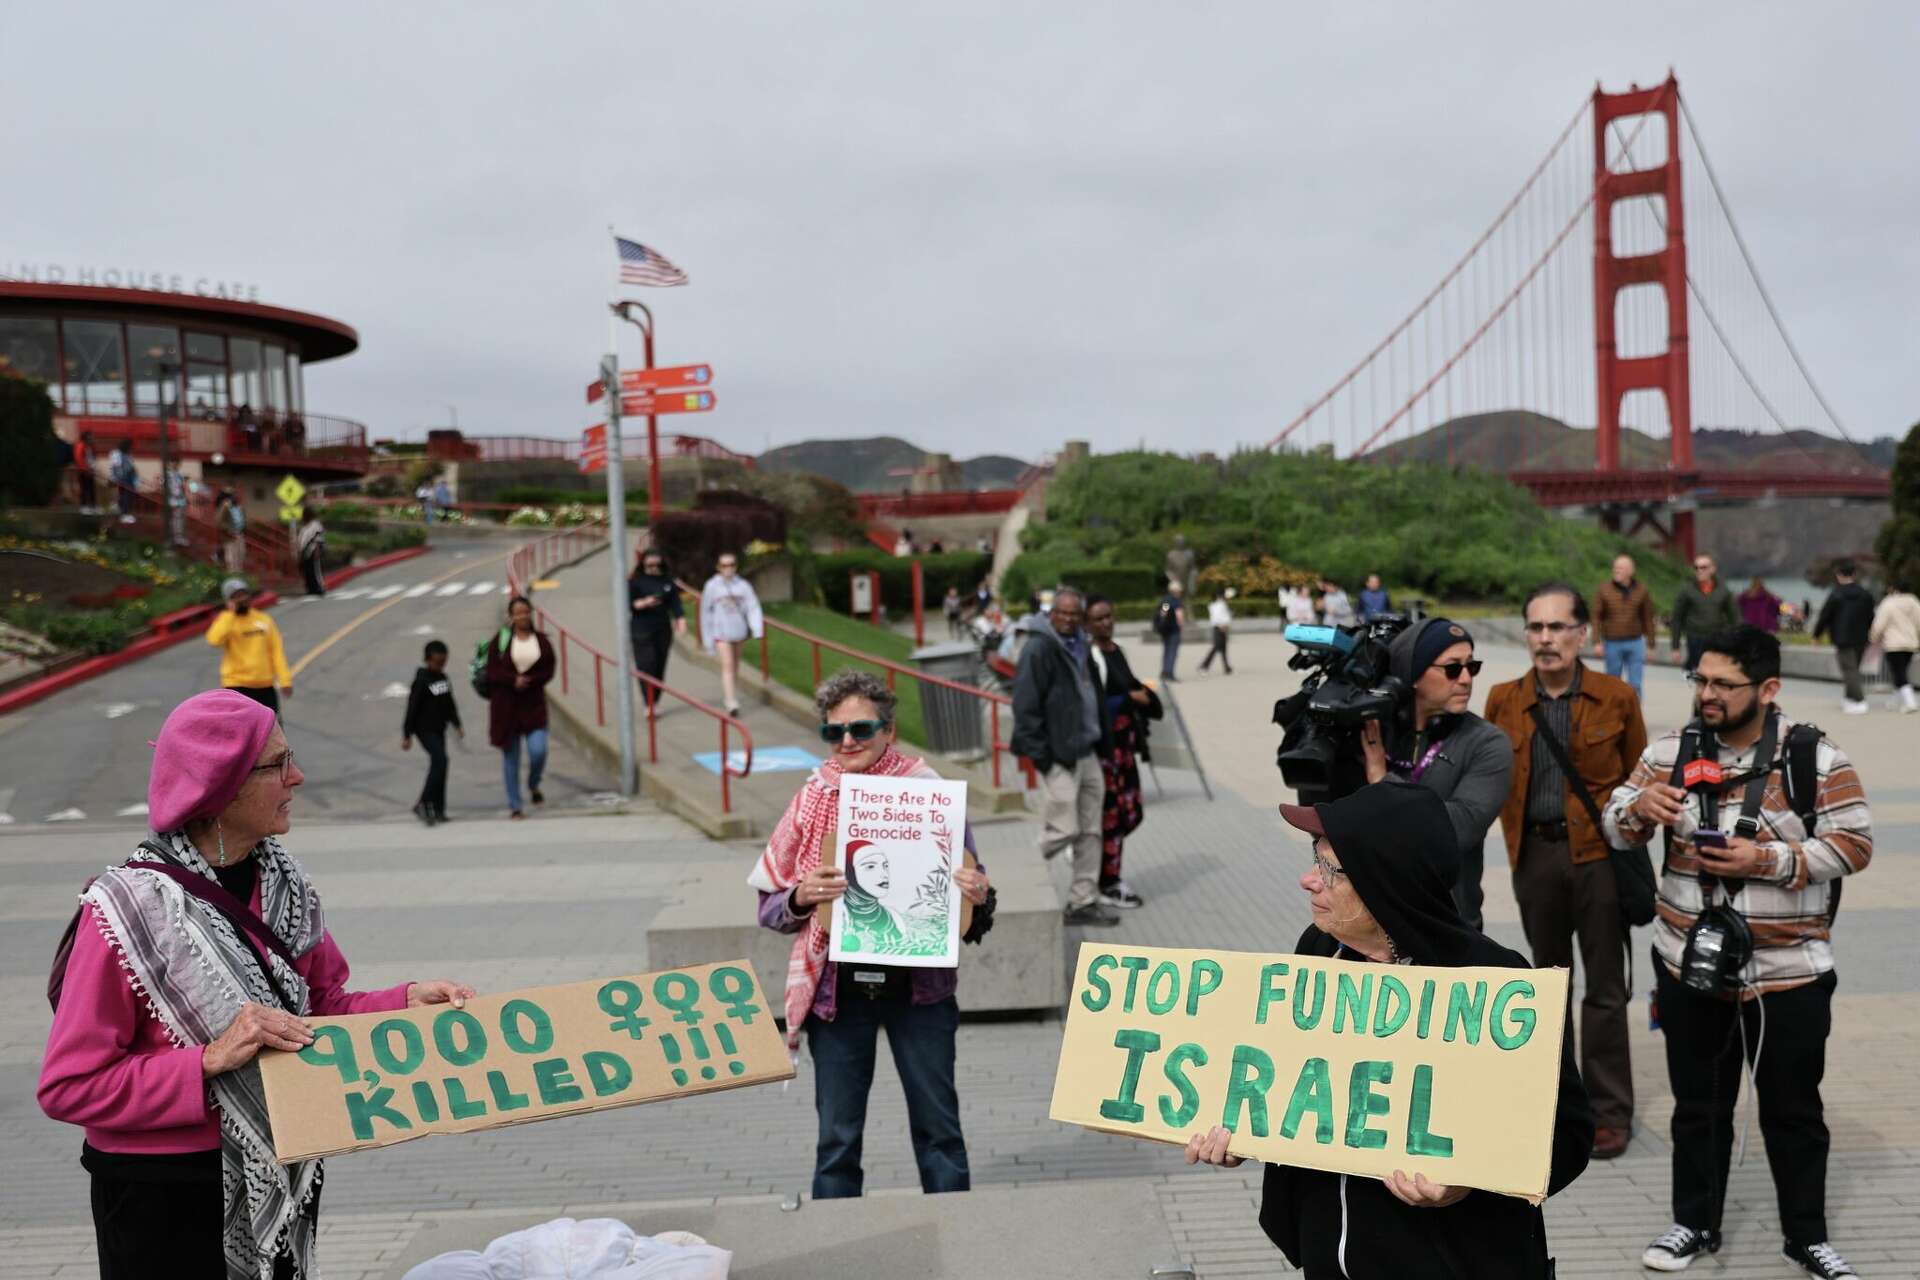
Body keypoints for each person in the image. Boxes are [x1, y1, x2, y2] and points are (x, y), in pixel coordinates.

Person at [39, 689, 475, 1280]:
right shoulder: (126, 911)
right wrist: (208, 1060)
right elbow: (70, 1086)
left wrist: (404, 1002)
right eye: (276, 765)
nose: (298, 777)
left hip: (278, 1168)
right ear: (219, 787)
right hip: (161, 1198)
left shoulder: (283, 885)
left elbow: (321, 1008)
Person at [1184, 781, 1593, 1279]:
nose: (1308, 880)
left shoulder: (1498, 982)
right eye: (1316, 860)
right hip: (1329, 1260)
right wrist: (1242, 1133)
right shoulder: (1319, 950)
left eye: (1330, 870)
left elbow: (1569, 1135)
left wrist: (1473, 1179)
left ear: (1387, 883)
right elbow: (1296, 1090)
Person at [1602, 625, 1871, 1276]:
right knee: (1698, 1108)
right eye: (1700, 680)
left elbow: (1855, 844)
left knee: (1795, 1111)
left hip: (1790, 971)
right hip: (1687, 962)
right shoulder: (1671, 749)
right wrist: (1641, 806)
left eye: (1724, 684)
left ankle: (1806, 1237)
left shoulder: (1816, 759)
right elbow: (1613, 825)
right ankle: (1692, 1224)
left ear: (1769, 688)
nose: (1708, 695)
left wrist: (1769, 859)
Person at [749, 670, 992, 1200]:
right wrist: (800, 896)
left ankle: (959, 1240)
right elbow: (769, 905)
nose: (847, 742)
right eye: (833, 732)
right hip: (837, 996)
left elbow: (976, 899)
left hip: (920, 993)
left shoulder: (928, 793)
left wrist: (976, 893)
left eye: (861, 728)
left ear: (889, 729)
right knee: (836, 1144)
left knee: (940, 1134)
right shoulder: (810, 798)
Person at [1483, 583, 1647, 1161]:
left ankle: (1608, 1114)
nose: (1545, 639)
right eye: (1535, 628)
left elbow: (1640, 784)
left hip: (1598, 857)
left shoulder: (1616, 697)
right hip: (1535, 857)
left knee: (1604, 988)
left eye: (1557, 628)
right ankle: (1558, 1108)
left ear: (1583, 634)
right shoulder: (1503, 699)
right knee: (1548, 986)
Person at [1360, 617, 1511, 929]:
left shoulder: (1487, 743)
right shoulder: (1373, 731)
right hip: (1368, 921)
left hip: (1448, 927)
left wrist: (1380, 778)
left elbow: (1457, 830)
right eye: (1453, 668)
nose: (1467, 678)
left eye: (1473, 666)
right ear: (1412, 676)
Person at [1011, 585, 1119, 927]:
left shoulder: (1082, 646)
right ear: (1051, 614)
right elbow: (1025, 707)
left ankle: (1082, 900)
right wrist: (1043, 757)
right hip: (1059, 756)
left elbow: (1095, 696)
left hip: (1088, 751)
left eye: (1075, 614)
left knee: (1091, 830)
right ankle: (1014, 870)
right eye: (1063, 613)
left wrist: (1106, 746)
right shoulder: (1039, 649)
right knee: (1065, 826)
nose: (1070, 619)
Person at [1086, 595, 1157, 910]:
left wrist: (1142, 697)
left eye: (1108, 616)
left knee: (1131, 812)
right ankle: (1107, 881)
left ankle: (1105, 873)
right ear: (1088, 624)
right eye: (1098, 618)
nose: (1105, 622)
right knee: (1111, 817)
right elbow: (1096, 704)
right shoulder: (1090, 658)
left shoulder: (1117, 652)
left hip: (1126, 751)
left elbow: (1135, 688)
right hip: (1106, 753)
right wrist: (1131, 698)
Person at [483, 595, 555, 819]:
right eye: (518, 613)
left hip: (533, 706)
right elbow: (492, 670)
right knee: (511, 759)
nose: (523, 616)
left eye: (526, 611)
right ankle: (515, 805)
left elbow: (549, 668)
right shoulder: (501, 640)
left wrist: (531, 680)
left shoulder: (541, 640)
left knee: (538, 751)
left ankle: (533, 783)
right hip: (506, 709)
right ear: (511, 616)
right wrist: (512, 680)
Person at [402, 639, 463, 825]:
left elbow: (450, 704)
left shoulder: (443, 679)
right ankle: (422, 803)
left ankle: (438, 809)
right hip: (424, 730)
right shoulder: (421, 681)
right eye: (437, 662)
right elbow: (411, 708)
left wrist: (457, 723)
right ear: (428, 660)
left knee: (442, 766)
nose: (440, 666)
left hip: (439, 729)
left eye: (443, 662)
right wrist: (407, 734)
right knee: (440, 760)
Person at [207, 578, 291, 712]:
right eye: (236, 596)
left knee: (271, 729)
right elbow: (214, 640)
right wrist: (231, 614)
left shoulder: (263, 619)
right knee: (241, 730)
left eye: (243, 594)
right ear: (229, 601)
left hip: (265, 685)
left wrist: (285, 680)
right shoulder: (225, 620)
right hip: (237, 685)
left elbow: (276, 651)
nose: (241, 599)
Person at [699, 551, 764, 717]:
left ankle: (730, 693)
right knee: (727, 665)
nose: (728, 568)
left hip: (739, 631)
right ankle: (731, 701)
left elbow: (753, 607)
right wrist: (708, 641)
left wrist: (756, 628)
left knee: (734, 666)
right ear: (718, 567)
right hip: (721, 632)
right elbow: (705, 612)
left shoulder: (743, 586)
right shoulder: (712, 586)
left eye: (731, 565)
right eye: (724, 565)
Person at [1811, 560, 1876, 715]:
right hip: (1861, 638)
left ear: (1839, 575)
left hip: (1842, 638)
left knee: (1849, 670)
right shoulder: (1865, 594)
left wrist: (1817, 635)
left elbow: (1825, 616)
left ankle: (1859, 700)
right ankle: (1849, 699)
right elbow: (1871, 616)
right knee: (1854, 669)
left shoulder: (1836, 594)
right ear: (1854, 574)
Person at [1592, 552, 1657, 699]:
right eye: (1615, 568)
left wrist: (1651, 645)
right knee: (1612, 683)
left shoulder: (1642, 590)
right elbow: (1596, 617)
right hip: (1612, 643)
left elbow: (1648, 619)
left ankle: (1633, 718)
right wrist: (1596, 642)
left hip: (1635, 642)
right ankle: (1612, 717)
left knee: (1635, 684)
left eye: (1621, 568)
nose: (1616, 570)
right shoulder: (1604, 589)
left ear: (1630, 571)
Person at [627, 547, 687, 709]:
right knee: (647, 664)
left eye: (657, 566)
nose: (654, 569)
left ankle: (655, 700)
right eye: (650, 566)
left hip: (662, 628)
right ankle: (648, 702)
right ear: (644, 565)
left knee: (659, 665)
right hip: (641, 628)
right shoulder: (635, 581)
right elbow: (629, 603)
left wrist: (680, 619)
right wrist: (643, 603)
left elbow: (675, 603)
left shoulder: (667, 580)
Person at [1670, 553, 1737, 673]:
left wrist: (1738, 643)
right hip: (1695, 639)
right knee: (1697, 674)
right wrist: (1675, 647)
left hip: (1717, 639)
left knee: (1715, 674)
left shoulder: (1724, 590)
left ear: (1713, 568)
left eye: (1703, 567)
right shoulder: (1686, 591)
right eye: (1696, 567)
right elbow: (1677, 619)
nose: (1699, 571)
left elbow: (1735, 618)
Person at [1868, 577, 1920, 713]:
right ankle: (1893, 701)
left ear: (1894, 588)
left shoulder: (1889, 603)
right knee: (1901, 672)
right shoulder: (1914, 602)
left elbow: (1879, 624)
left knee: (1899, 673)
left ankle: (1911, 702)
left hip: (1893, 643)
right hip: (1911, 643)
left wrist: (1873, 637)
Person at [1153, 580, 1186, 681]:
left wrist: (1162, 624)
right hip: (1174, 630)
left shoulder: (1165, 601)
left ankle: (1164, 672)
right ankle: (1169, 673)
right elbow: (1179, 615)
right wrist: (1181, 625)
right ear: (1176, 591)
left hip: (1165, 630)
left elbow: (1163, 613)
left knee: (1166, 651)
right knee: (1172, 652)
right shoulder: (1176, 601)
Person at [1198, 587, 1234, 674]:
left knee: (1223, 648)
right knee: (1216, 647)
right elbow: (1217, 617)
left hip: (1222, 627)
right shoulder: (1218, 605)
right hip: (1220, 627)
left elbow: (1225, 615)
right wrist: (1222, 625)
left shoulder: (1218, 604)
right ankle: (1204, 665)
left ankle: (1227, 667)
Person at [296, 508, 326, 597]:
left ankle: (319, 588)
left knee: (315, 570)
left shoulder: (316, 525)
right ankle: (310, 588)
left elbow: (318, 539)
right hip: (305, 551)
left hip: (313, 550)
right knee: (307, 570)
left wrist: (317, 550)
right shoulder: (305, 527)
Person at [216, 488, 247, 573]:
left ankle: (239, 572)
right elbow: (220, 521)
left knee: (241, 554)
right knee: (231, 555)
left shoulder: (240, 507)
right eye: (234, 496)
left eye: (237, 496)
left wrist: (244, 527)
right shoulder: (225, 506)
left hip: (240, 534)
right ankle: (232, 572)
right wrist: (228, 531)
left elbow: (243, 519)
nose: (236, 498)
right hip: (229, 535)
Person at [108, 438, 138, 523]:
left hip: (129, 478)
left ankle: (126, 513)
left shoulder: (128, 455)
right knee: (125, 496)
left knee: (129, 496)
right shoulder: (116, 454)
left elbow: (131, 467)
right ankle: (124, 514)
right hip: (122, 479)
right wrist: (117, 479)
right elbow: (116, 468)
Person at [1163, 534, 1197, 599]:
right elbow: (1167, 570)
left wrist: (1192, 580)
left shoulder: (1189, 554)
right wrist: (1173, 579)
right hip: (1176, 582)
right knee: (1175, 601)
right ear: (1175, 542)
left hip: (1187, 581)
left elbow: (1193, 568)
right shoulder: (1171, 555)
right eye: (1178, 541)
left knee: (1187, 601)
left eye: (1182, 541)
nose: (1180, 542)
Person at [74, 430, 98, 512]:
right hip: (83, 471)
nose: (92, 438)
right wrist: (85, 469)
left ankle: (93, 506)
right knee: (84, 488)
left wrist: (93, 468)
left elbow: (93, 458)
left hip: (90, 470)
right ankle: (84, 507)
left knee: (92, 488)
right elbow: (79, 458)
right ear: (86, 437)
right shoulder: (80, 445)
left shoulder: (91, 446)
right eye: (91, 436)